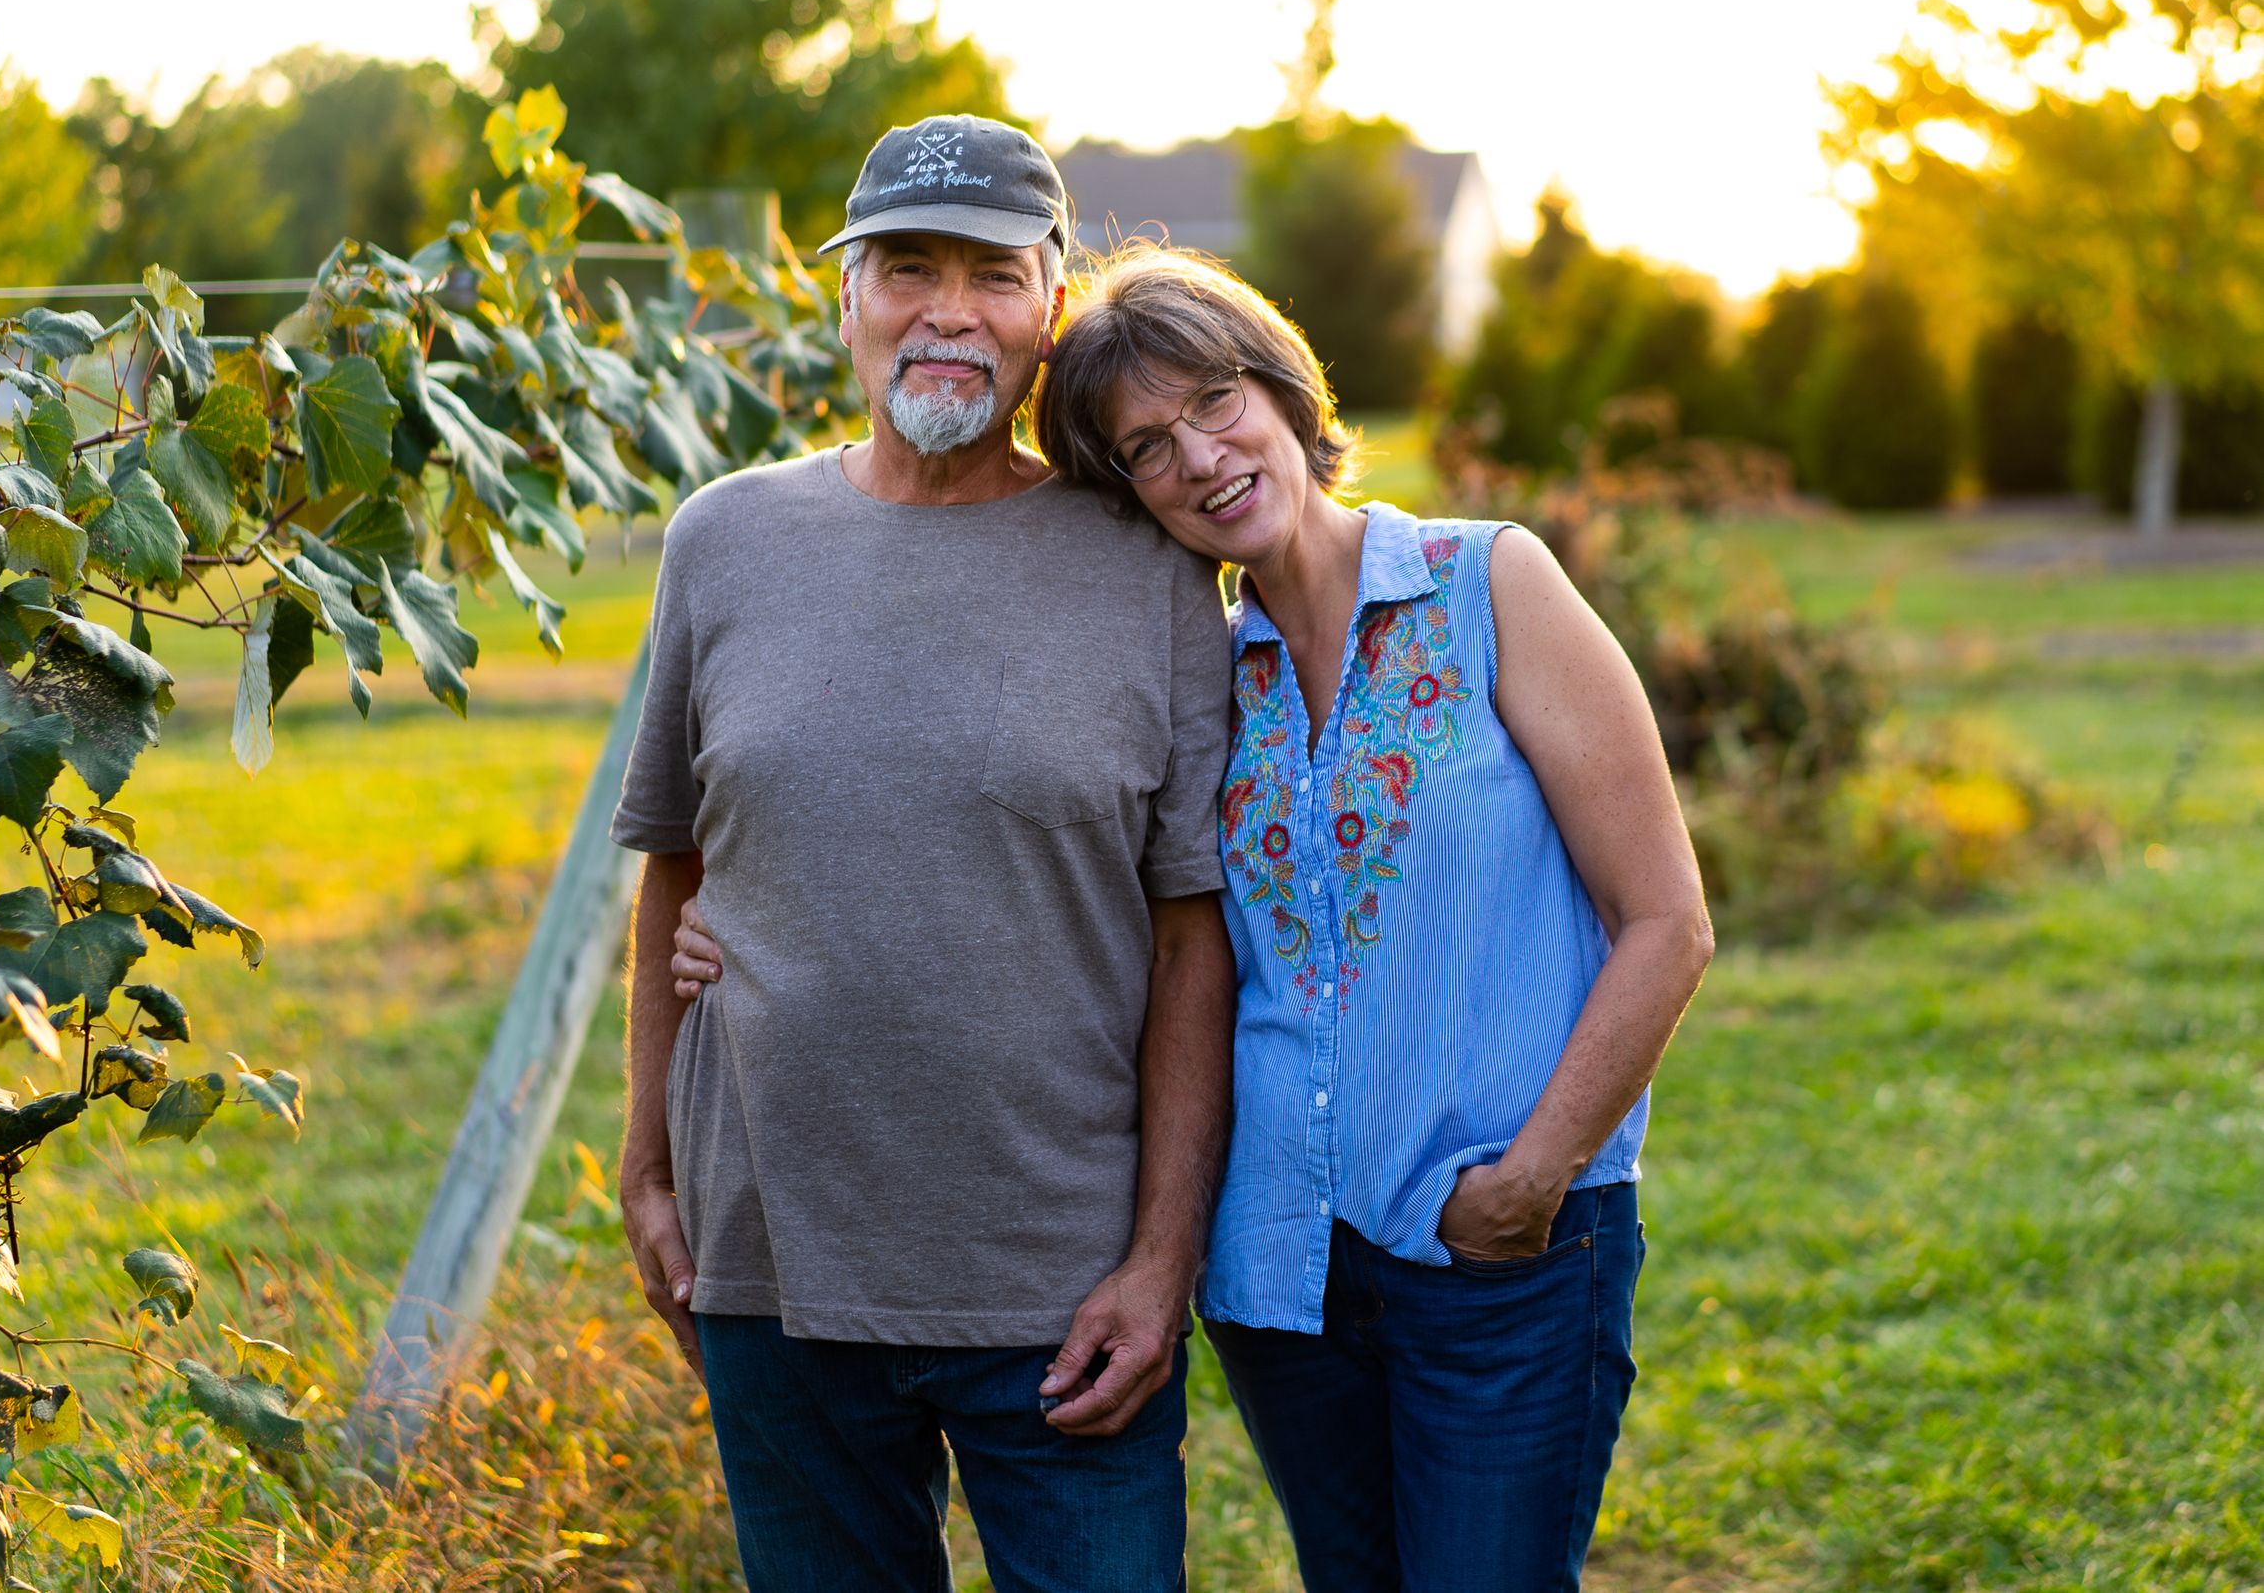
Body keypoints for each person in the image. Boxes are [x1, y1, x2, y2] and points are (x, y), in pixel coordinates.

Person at [673, 245, 1716, 1591]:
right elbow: (1097, 893)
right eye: (1146, 448)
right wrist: (749, 919)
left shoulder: (1489, 588)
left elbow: (1667, 921)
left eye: (1216, 403)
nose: (1201, 459)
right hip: (1288, 1274)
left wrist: (1528, 1185)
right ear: (1127, 498)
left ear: (1284, 392)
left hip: (1497, 1252)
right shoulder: (1215, 679)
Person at [609, 121, 1236, 1593]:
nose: (948, 310)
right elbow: (675, 873)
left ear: (1050, 314)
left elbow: (1191, 938)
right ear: (846, 298)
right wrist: (646, 1168)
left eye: (993, 276)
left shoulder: (1148, 566)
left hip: (1060, 1290)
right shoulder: (725, 543)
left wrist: (1161, 1260)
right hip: (776, 1265)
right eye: (907, 267)